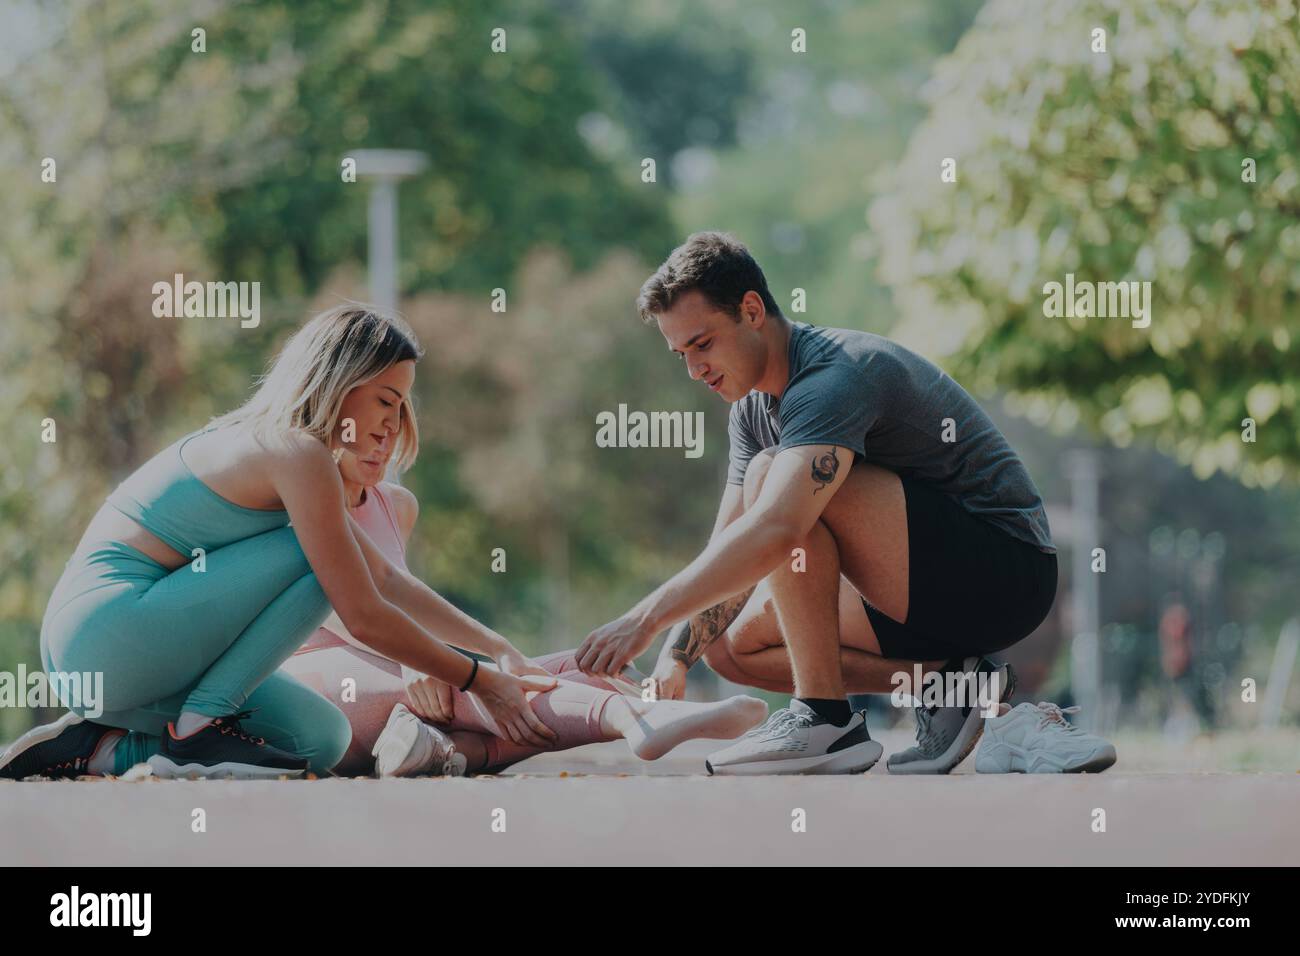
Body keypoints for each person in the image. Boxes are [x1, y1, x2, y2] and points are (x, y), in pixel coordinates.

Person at [576, 231, 1074, 775]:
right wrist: (674, 658)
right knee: (725, 646)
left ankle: (823, 719)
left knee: (775, 481)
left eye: (702, 344)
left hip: (1006, 571)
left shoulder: (834, 377)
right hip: (912, 592)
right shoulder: (751, 410)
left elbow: (777, 528)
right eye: (681, 355)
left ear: (751, 310)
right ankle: (949, 683)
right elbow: (731, 544)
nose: (694, 370)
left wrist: (642, 619)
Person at [2, 306, 564, 780]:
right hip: (104, 630)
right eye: (387, 401)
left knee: (320, 739)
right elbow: (364, 611)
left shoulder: (292, 455)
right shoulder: (294, 451)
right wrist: (479, 679)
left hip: (116, 658)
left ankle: (99, 747)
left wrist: (498, 648)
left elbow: (391, 580)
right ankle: (201, 726)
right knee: (318, 558)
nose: (394, 425)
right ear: (343, 382)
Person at [277, 446, 767, 777]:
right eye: (374, 408)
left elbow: (400, 596)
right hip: (315, 688)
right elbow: (349, 609)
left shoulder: (395, 504)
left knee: (576, 666)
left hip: (390, 688)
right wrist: (423, 658)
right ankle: (628, 713)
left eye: (398, 406)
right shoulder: (293, 498)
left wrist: (484, 652)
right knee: (460, 682)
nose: (386, 431)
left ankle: (451, 753)